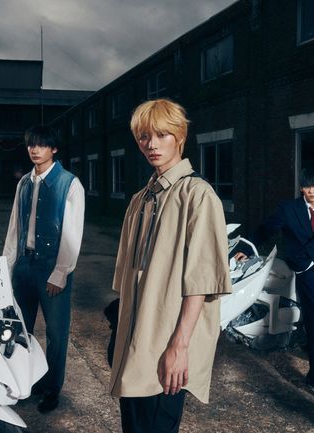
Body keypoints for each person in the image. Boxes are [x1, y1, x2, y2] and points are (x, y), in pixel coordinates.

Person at [109, 99, 231, 433]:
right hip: (134, 340)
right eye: (144, 136)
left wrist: (179, 346)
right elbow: (128, 277)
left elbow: (202, 281)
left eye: (162, 134)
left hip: (167, 342)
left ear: (179, 136)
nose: (151, 144)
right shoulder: (140, 199)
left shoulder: (198, 195)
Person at [249, 167, 314, 407]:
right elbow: (265, 229)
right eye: (307, 186)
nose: (311, 191)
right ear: (301, 188)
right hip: (305, 269)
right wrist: (247, 247)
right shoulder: (289, 209)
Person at [2, 125, 85, 413]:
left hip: (51, 267)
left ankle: (52, 388)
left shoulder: (69, 183)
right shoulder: (24, 183)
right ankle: (26, 381)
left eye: (42, 145)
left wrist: (60, 273)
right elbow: (14, 228)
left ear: (54, 149)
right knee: (19, 330)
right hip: (23, 266)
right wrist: (6, 268)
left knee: (56, 333)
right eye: (31, 145)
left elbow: (72, 234)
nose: (35, 150)